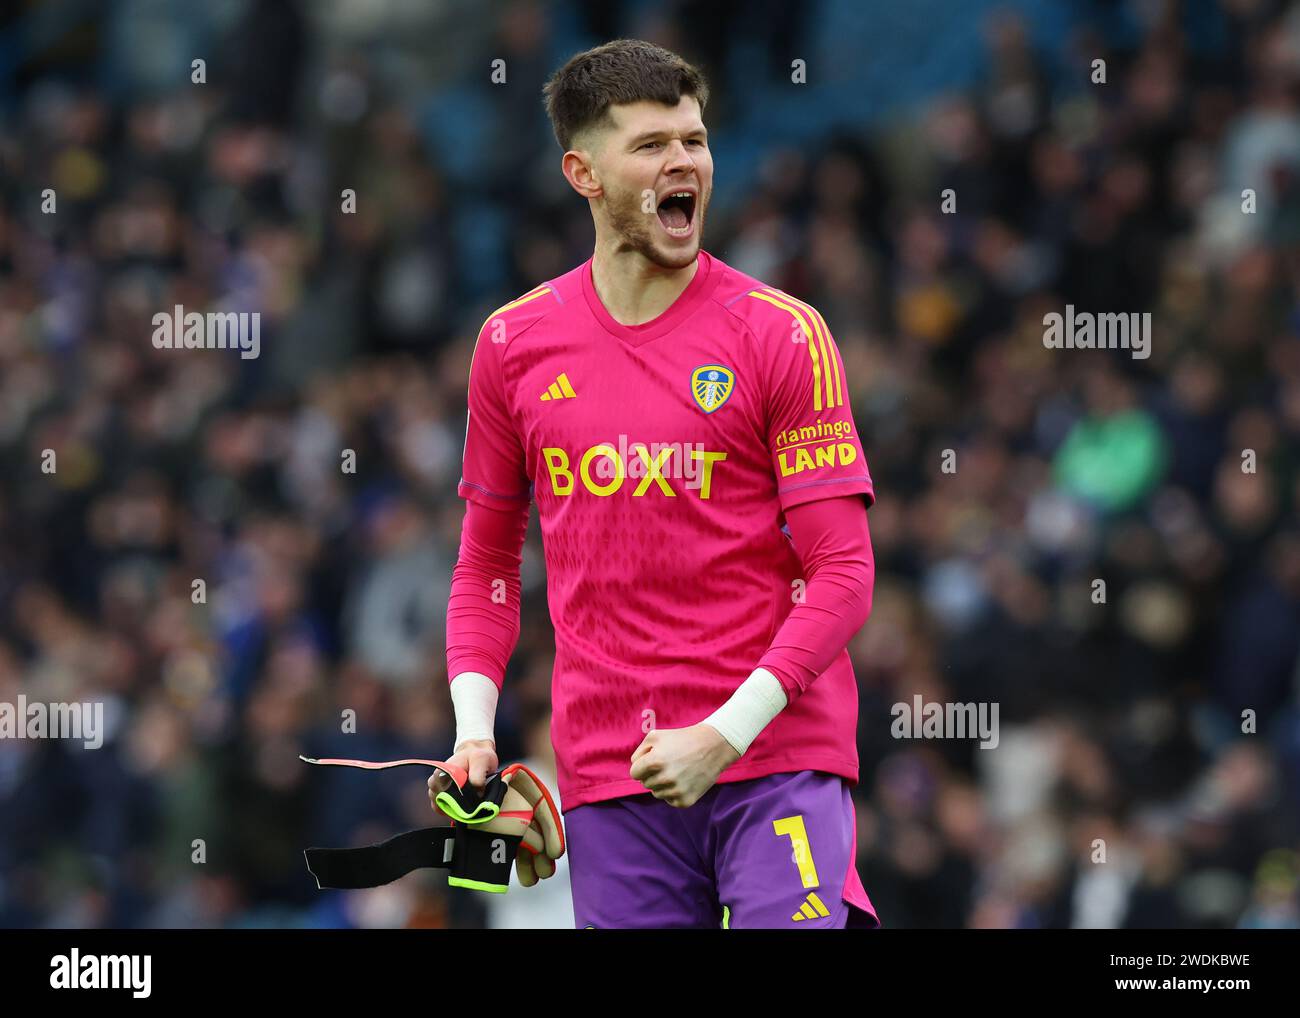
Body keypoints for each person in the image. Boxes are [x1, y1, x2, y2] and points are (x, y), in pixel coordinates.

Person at [432, 38, 879, 929]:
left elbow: (844, 574)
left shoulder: (783, 335)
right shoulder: (513, 346)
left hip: (773, 757)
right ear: (583, 172)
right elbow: (485, 567)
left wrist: (724, 734)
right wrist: (473, 732)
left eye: (696, 140)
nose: (685, 163)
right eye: (651, 145)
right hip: (612, 773)